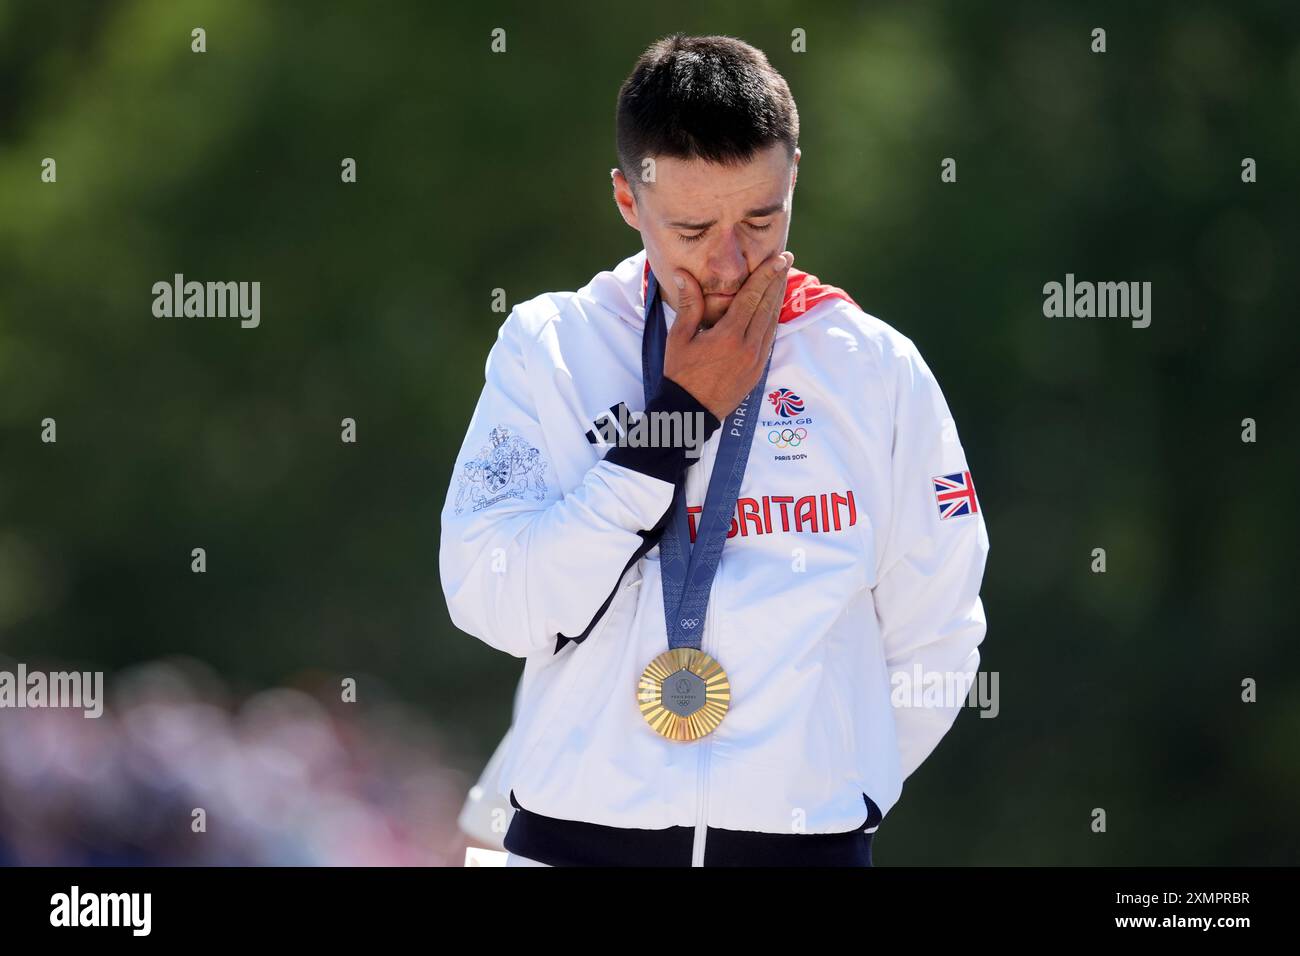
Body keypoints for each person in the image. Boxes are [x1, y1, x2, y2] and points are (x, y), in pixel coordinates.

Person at [440, 33, 990, 866]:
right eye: (693, 228)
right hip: (572, 845)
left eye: (761, 219)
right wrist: (672, 428)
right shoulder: (551, 347)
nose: (733, 262)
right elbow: (491, 599)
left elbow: (938, 632)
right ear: (629, 200)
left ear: (794, 175)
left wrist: (842, 793)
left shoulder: (876, 370)